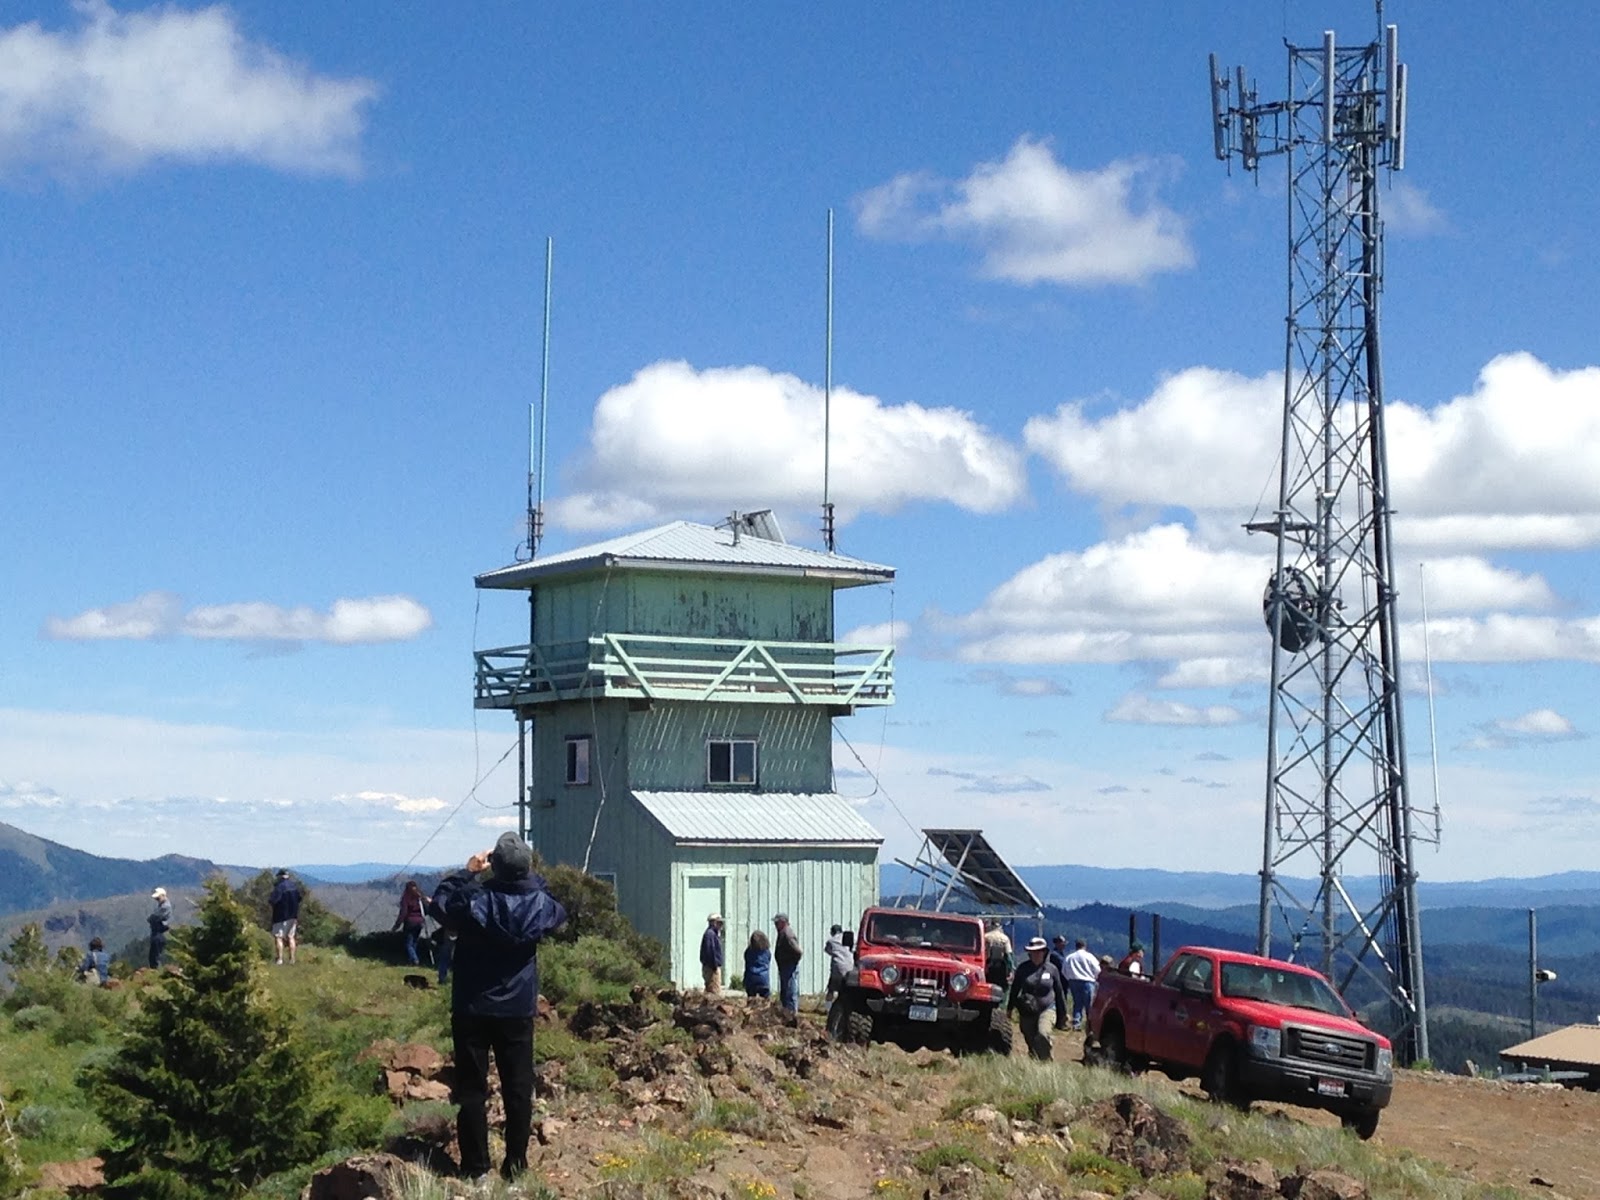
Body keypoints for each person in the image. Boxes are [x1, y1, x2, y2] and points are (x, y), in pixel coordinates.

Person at [431, 833, 567, 1181]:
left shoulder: (475, 900)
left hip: (472, 1007)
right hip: (518, 1009)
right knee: (518, 1088)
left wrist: (467, 872)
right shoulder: (540, 905)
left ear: (495, 866)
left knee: (471, 1089)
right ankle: (515, 1167)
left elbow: (440, 906)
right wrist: (527, 877)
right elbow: (555, 904)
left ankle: (476, 1168)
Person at [1007, 936, 1068, 1060]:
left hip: (1047, 1008)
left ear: (1044, 952)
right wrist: (1009, 1009)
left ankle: (1046, 1061)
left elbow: (1059, 991)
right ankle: (1035, 1063)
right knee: (1031, 1040)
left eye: (1038, 951)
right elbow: (1015, 989)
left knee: (1043, 1034)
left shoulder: (1052, 969)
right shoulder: (1023, 969)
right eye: (1033, 951)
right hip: (1027, 1010)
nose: (1035, 954)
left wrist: (1063, 1014)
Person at [1062, 938, 1102, 1030]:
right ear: (1085, 946)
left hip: (1073, 981)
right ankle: (1090, 1024)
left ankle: (1076, 1023)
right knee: (1089, 1004)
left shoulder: (1070, 957)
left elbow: (1064, 970)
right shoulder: (1089, 957)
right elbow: (1097, 969)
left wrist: (1070, 978)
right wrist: (1094, 978)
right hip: (1088, 981)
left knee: (1077, 1003)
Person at [269, 869, 302, 965]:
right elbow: (299, 898)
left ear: (280, 876)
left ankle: (280, 959)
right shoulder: (293, 886)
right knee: (291, 937)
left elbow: (272, 900)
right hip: (293, 916)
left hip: (280, 916)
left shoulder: (279, 887)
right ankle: (292, 959)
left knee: (278, 937)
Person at [773, 913, 803, 1013]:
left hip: (789, 967)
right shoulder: (782, 933)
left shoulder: (787, 934)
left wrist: (792, 961)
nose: (775, 925)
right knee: (785, 992)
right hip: (784, 967)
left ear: (783, 922)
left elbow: (798, 951)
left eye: (777, 923)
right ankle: (786, 1012)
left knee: (790, 991)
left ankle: (792, 1014)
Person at [393, 880, 427, 966]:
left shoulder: (406, 898)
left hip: (410, 922)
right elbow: (426, 909)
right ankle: (411, 960)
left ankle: (414, 959)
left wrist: (397, 925)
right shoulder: (420, 898)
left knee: (408, 943)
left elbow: (403, 913)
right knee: (414, 942)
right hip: (420, 922)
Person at [823, 924, 853, 1003]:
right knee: (846, 989)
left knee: (831, 989)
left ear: (832, 932)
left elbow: (827, 950)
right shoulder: (849, 938)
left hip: (837, 968)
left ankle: (828, 1008)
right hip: (850, 968)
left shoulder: (831, 941)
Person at [983, 919, 1014, 988]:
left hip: (987, 966)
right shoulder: (1004, 938)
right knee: (1001, 988)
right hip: (1000, 968)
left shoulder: (985, 937)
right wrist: (1010, 970)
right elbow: (1008, 956)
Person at [699, 913, 724, 994]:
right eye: (719, 922)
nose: (721, 925)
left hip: (711, 967)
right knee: (714, 992)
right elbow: (710, 951)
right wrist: (714, 966)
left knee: (710, 990)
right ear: (713, 922)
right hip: (711, 968)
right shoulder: (710, 934)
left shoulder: (713, 934)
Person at [148, 887, 172, 968]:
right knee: (153, 955)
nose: (157, 899)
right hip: (157, 932)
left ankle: (157, 971)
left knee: (156, 956)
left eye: (158, 898)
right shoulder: (161, 906)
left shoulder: (165, 907)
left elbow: (155, 917)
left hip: (160, 933)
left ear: (163, 895)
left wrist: (151, 918)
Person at [743, 930, 772, 998]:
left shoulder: (749, 951)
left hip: (751, 978)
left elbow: (746, 960)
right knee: (766, 1001)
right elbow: (769, 960)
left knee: (751, 1000)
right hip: (763, 979)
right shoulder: (767, 951)